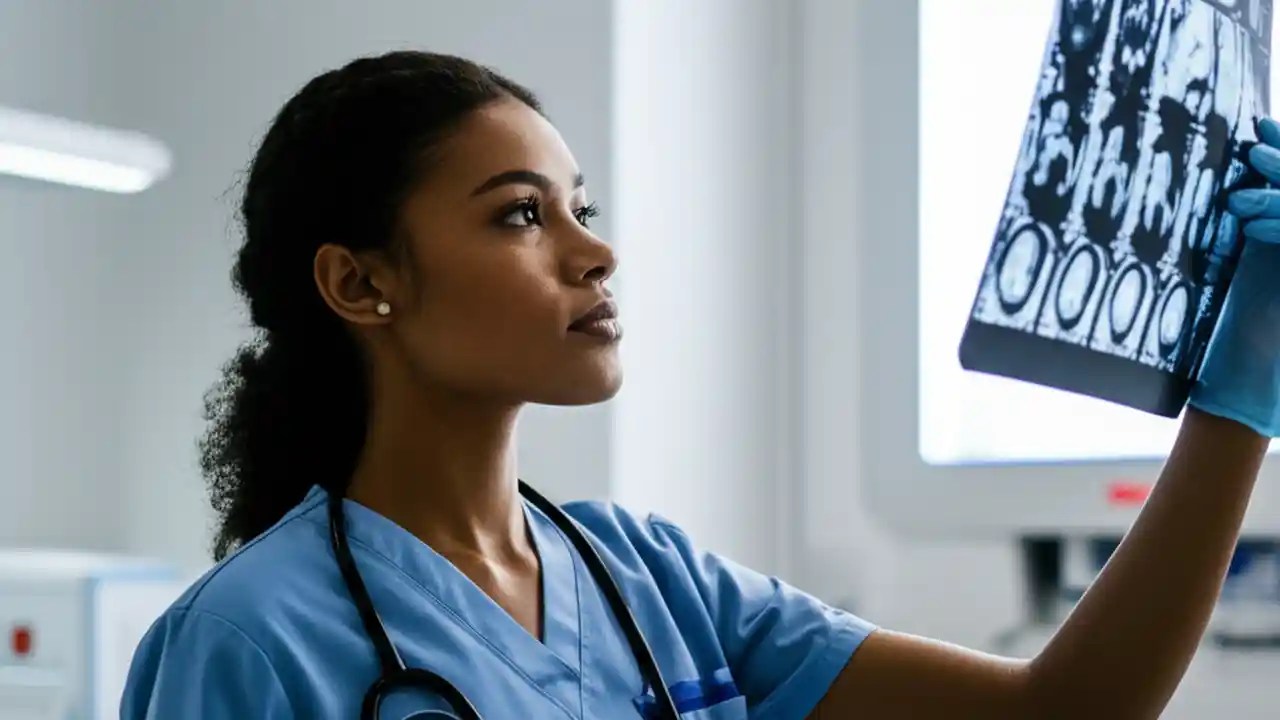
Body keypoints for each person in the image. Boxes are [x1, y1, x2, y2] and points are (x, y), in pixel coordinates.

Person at [120, 50, 1280, 719]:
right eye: (520, 215)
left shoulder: (651, 583)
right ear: (360, 282)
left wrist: (1239, 393)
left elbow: (1067, 709)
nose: (594, 251)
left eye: (582, 208)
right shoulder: (250, 641)